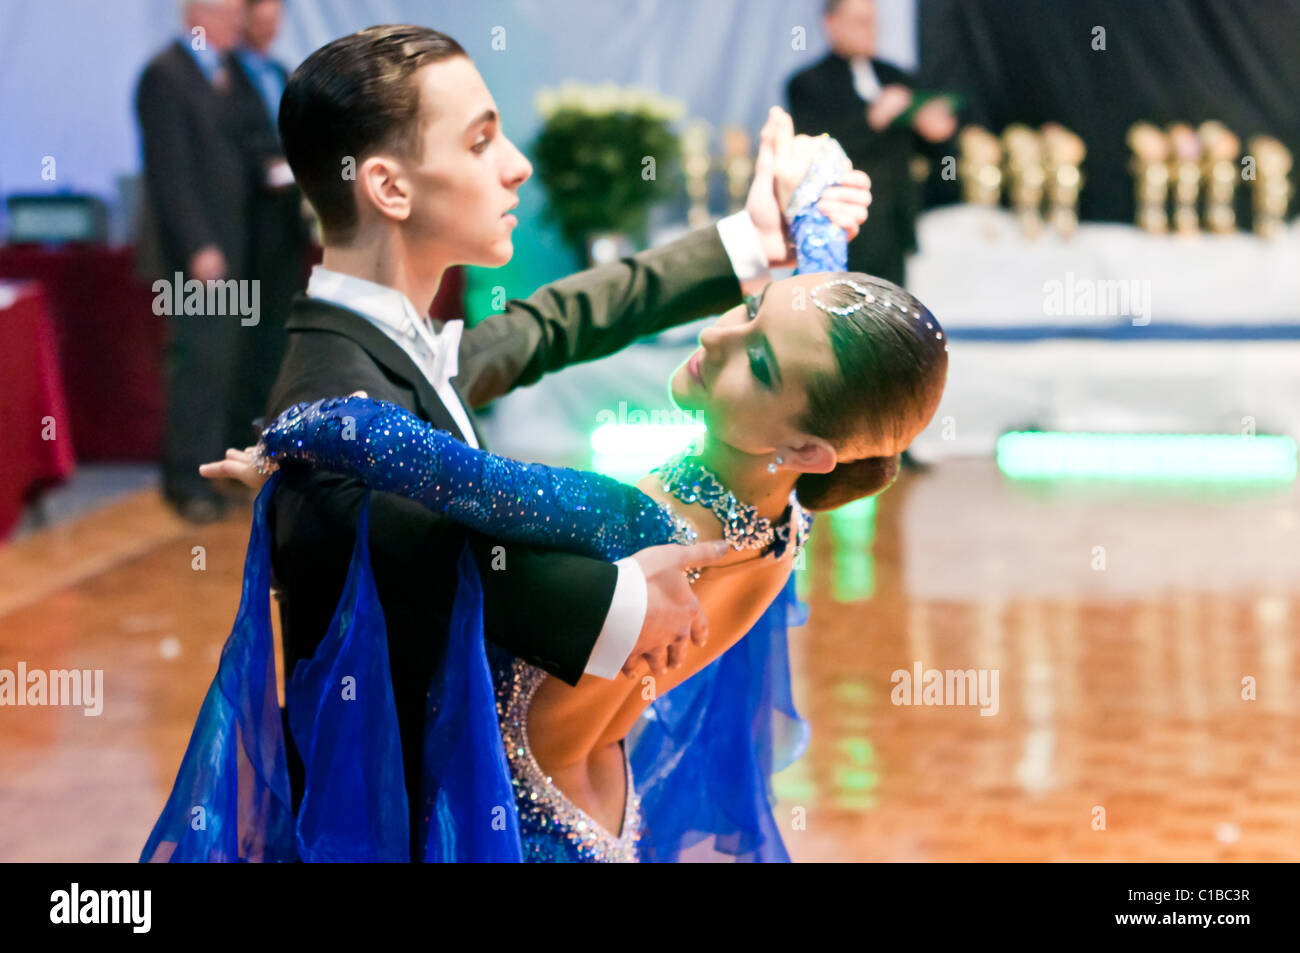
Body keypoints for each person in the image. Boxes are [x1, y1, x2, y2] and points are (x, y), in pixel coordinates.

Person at [152, 25, 871, 861]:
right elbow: (453, 565)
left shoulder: (382, 343)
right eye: (482, 140)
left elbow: (550, 324)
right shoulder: (331, 403)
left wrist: (755, 241)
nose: (518, 165)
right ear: (387, 186)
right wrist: (628, 598)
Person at [135, 0, 252, 523]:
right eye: (227, 13)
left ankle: (212, 471)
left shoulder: (226, 74)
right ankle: (185, 481)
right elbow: (170, 175)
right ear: (196, 13)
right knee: (197, 365)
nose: (237, 23)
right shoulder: (165, 77)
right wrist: (198, 244)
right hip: (195, 258)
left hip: (231, 251)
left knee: (223, 362)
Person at [786, 0, 957, 288]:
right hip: (840, 228)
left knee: (891, 318)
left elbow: (923, 151)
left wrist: (935, 134)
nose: (869, 30)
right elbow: (814, 148)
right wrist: (872, 118)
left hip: (894, 224)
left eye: (872, 21)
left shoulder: (895, 76)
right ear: (831, 24)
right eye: (859, 22)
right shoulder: (807, 84)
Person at [227, 0, 310, 448]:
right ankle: (238, 440)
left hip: (286, 232)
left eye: (278, 15)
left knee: (278, 336)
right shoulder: (222, 76)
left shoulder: (281, 71)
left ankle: (273, 438)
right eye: (263, 13)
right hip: (244, 231)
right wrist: (269, 168)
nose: (271, 23)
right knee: (243, 340)